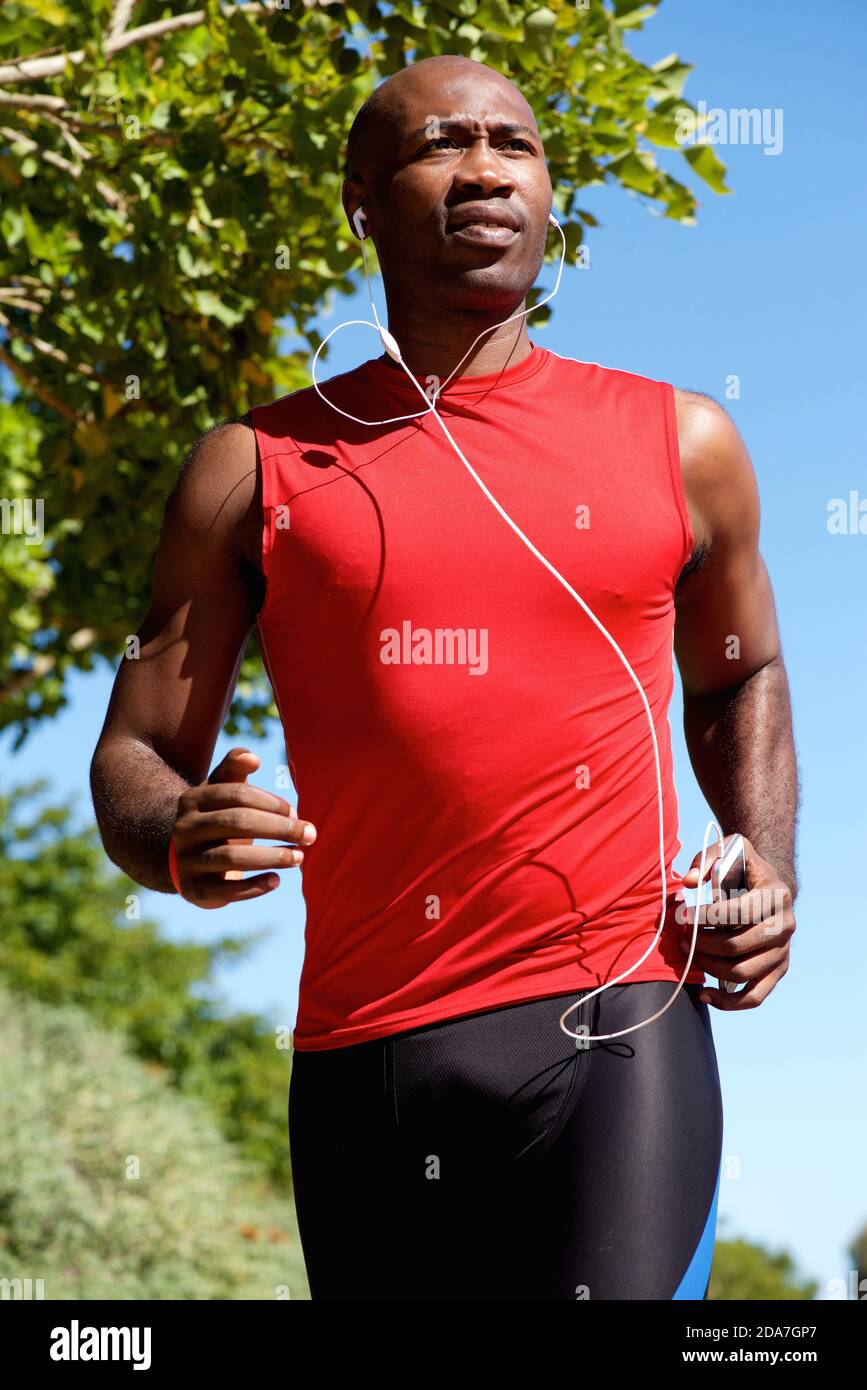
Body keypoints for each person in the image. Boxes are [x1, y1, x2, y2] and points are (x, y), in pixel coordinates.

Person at [90, 54, 799, 1301]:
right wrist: (174, 833)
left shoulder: (680, 441)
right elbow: (136, 752)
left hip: (618, 1026)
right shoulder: (252, 467)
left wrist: (762, 855)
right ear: (360, 197)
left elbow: (740, 676)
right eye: (442, 143)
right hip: (368, 1053)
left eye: (514, 145)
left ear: (549, 193)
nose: (485, 168)